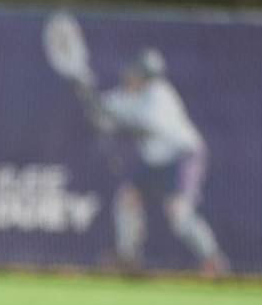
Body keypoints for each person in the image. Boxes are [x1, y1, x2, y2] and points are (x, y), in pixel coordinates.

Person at [75, 47, 226, 277]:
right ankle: (128, 258)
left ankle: (213, 260)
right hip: (156, 160)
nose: (129, 77)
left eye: (135, 73)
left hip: (183, 156)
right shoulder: (127, 94)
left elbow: (144, 128)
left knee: (179, 213)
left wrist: (110, 121)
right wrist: (85, 91)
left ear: (145, 77)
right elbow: (102, 111)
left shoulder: (160, 94)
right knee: (127, 199)